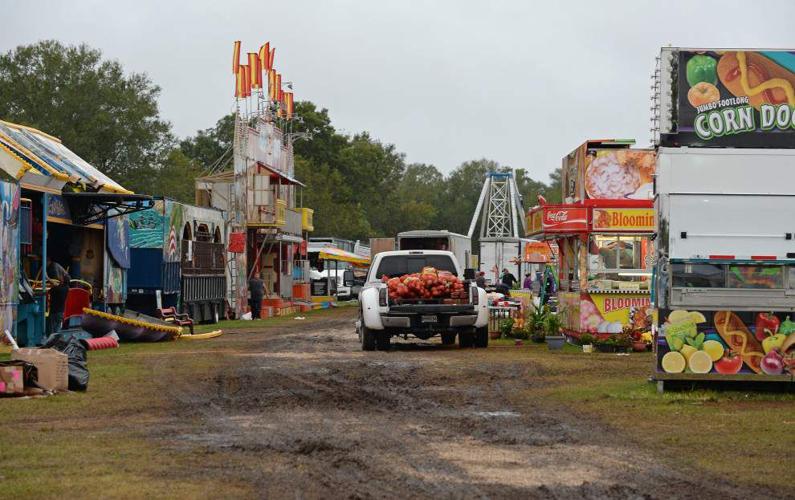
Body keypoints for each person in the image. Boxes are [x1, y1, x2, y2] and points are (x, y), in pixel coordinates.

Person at [46, 256, 71, 334]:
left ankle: (51, 341)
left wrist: (47, 278)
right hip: (61, 311)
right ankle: (56, 341)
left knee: (52, 329)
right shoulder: (67, 288)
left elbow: (49, 291)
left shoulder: (57, 289)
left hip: (54, 311)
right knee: (57, 329)